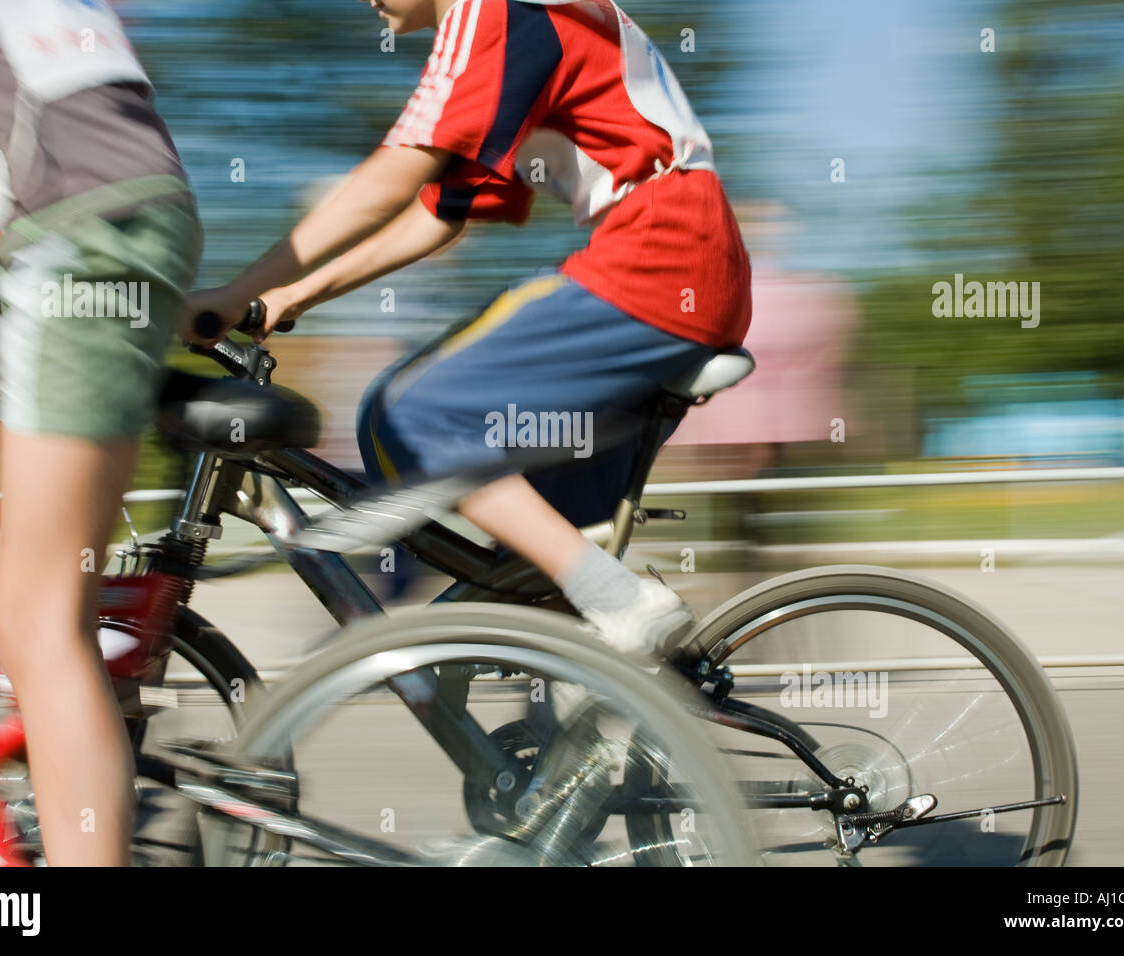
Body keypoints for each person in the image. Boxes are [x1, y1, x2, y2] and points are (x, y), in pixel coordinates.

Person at [188, 0, 752, 657]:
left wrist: (234, 292)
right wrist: (296, 294)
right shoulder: (525, 23)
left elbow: (393, 175)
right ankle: (595, 721)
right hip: (693, 262)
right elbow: (439, 211)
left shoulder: (493, 10)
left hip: (655, 255)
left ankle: (623, 601)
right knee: (553, 554)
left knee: (406, 412)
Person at [0, 1, 202, 865]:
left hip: (81, 238)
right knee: (43, 600)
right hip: (85, 228)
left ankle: (55, 615)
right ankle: (63, 598)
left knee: (39, 629)